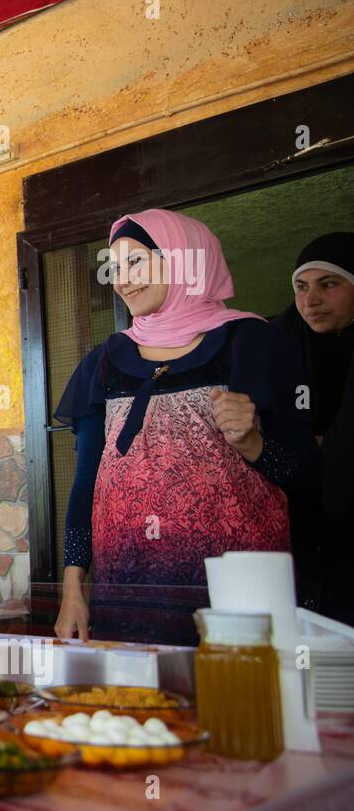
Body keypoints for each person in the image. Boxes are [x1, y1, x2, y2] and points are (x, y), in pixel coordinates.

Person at [54, 210, 320, 645]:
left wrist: (253, 443)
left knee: (236, 705)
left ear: (185, 260)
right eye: (115, 268)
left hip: (237, 598)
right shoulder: (103, 362)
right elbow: (86, 483)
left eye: (136, 262)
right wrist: (73, 589)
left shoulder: (254, 344)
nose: (122, 280)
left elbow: (309, 476)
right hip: (127, 594)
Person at [272, 231, 354, 620]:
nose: (311, 300)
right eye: (301, 287)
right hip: (300, 532)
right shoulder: (280, 347)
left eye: (329, 284)